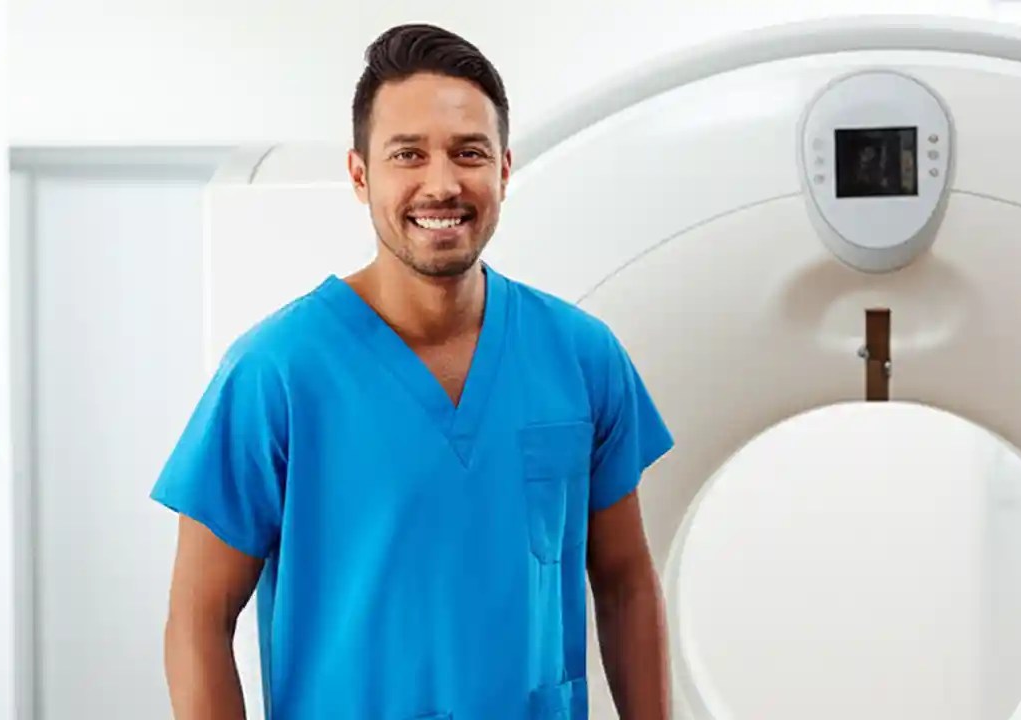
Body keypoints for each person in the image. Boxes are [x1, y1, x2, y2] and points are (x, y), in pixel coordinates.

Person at [153, 22, 674, 720]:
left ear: (504, 171)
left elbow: (624, 581)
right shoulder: (276, 374)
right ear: (361, 175)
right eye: (409, 155)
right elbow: (197, 618)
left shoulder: (581, 356)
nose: (442, 183)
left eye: (469, 153)